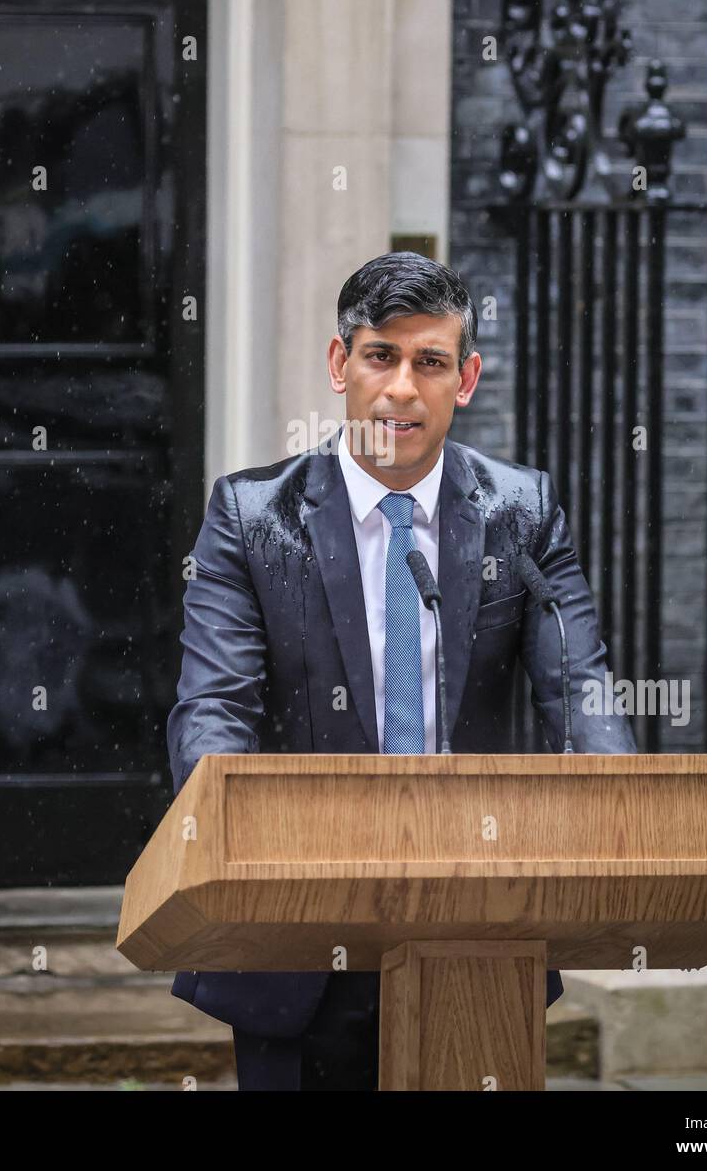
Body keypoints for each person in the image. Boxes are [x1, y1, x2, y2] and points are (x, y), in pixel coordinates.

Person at [166, 250, 637, 1090]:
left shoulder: (520, 514)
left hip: (474, 927)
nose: (401, 389)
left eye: (431, 362)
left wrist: (626, 813)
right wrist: (226, 837)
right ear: (340, 363)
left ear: (467, 378)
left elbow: (582, 684)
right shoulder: (249, 518)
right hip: (296, 931)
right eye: (381, 355)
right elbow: (214, 706)